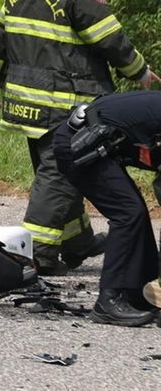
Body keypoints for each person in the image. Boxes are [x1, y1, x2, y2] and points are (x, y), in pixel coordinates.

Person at [0, 0, 160, 275]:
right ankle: (37, 252)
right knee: (58, 175)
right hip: (64, 102)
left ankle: (76, 240)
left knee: (66, 168)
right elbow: (112, 41)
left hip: (25, 104)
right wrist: (141, 74)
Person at [52, 91, 161, 326]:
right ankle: (107, 302)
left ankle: (137, 293)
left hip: (96, 140)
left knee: (135, 212)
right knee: (128, 213)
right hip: (78, 144)